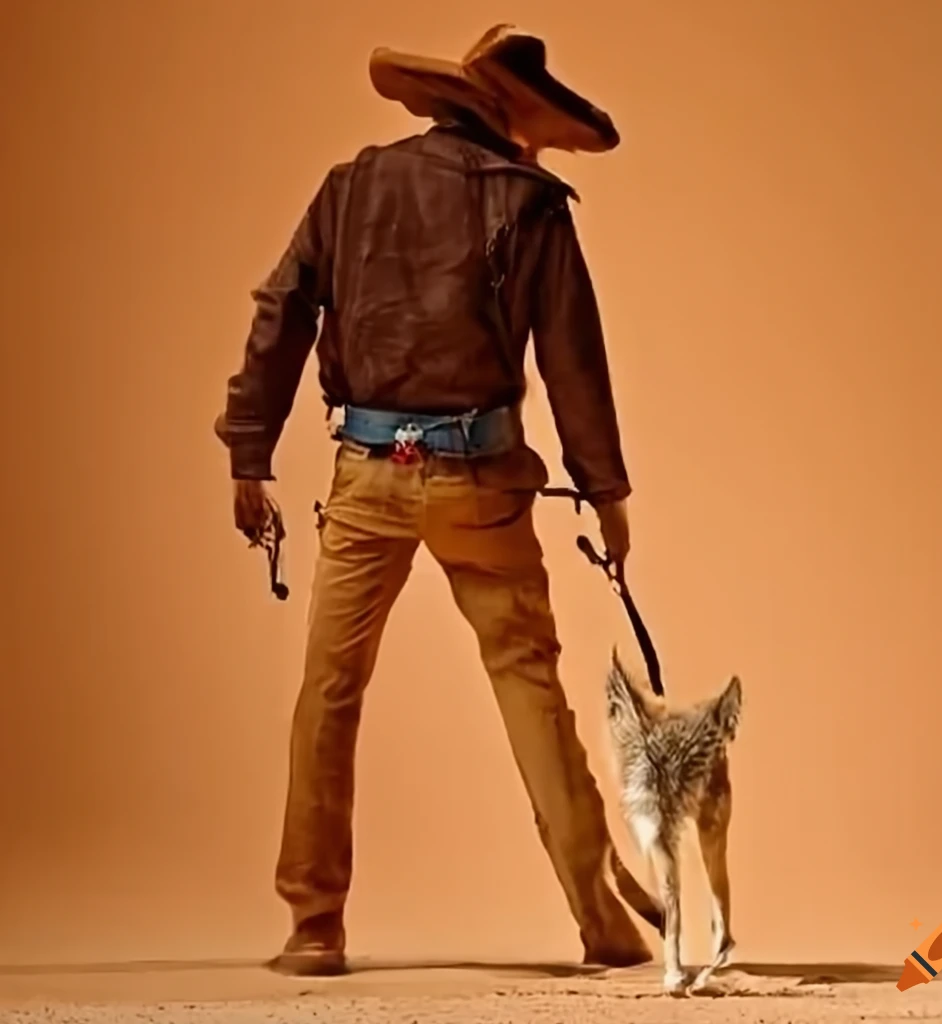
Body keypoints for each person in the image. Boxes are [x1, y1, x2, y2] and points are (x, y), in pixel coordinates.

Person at [215, 23, 658, 977]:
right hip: (483, 480)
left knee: (328, 695)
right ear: (506, 118)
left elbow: (281, 309)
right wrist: (604, 491)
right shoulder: (533, 205)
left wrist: (250, 453)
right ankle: (603, 920)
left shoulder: (351, 185)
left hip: (368, 475)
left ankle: (313, 927)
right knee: (530, 688)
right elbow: (573, 358)